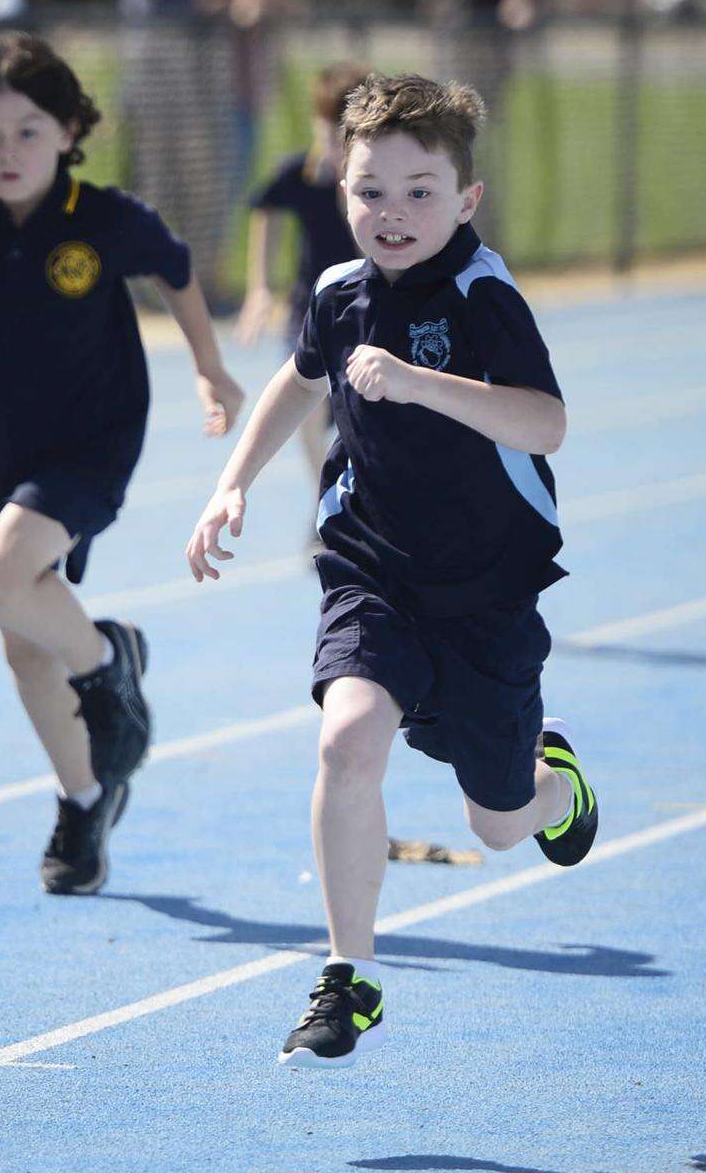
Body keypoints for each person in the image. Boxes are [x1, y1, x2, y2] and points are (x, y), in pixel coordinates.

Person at [185, 73, 597, 1069]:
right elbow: (296, 381)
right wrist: (229, 484)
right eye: (371, 190)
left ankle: (556, 788)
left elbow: (545, 422)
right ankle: (348, 974)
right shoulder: (338, 295)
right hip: (371, 571)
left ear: (467, 200)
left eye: (421, 191)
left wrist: (418, 384)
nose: (393, 213)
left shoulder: (481, 295)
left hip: (488, 596)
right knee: (346, 741)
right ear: (341, 190)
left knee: (497, 824)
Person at [0, 31, 243, 896]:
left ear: (71, 129)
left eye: (29, 130)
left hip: (90, 443)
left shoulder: (105, 220)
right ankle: (85, 800)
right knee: (22, 647)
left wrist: (207, 364)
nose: (8, 151)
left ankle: (109, 657)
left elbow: (177, 270)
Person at [236, 62, 366, 503]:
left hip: (367, 309)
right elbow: (265, 209)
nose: (334, 147)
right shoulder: (302, 175)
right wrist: (259, 287)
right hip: (311, 310)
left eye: (344, 138)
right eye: (327, 135)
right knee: (304, 412)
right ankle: (325, 500)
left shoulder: (374, 185)